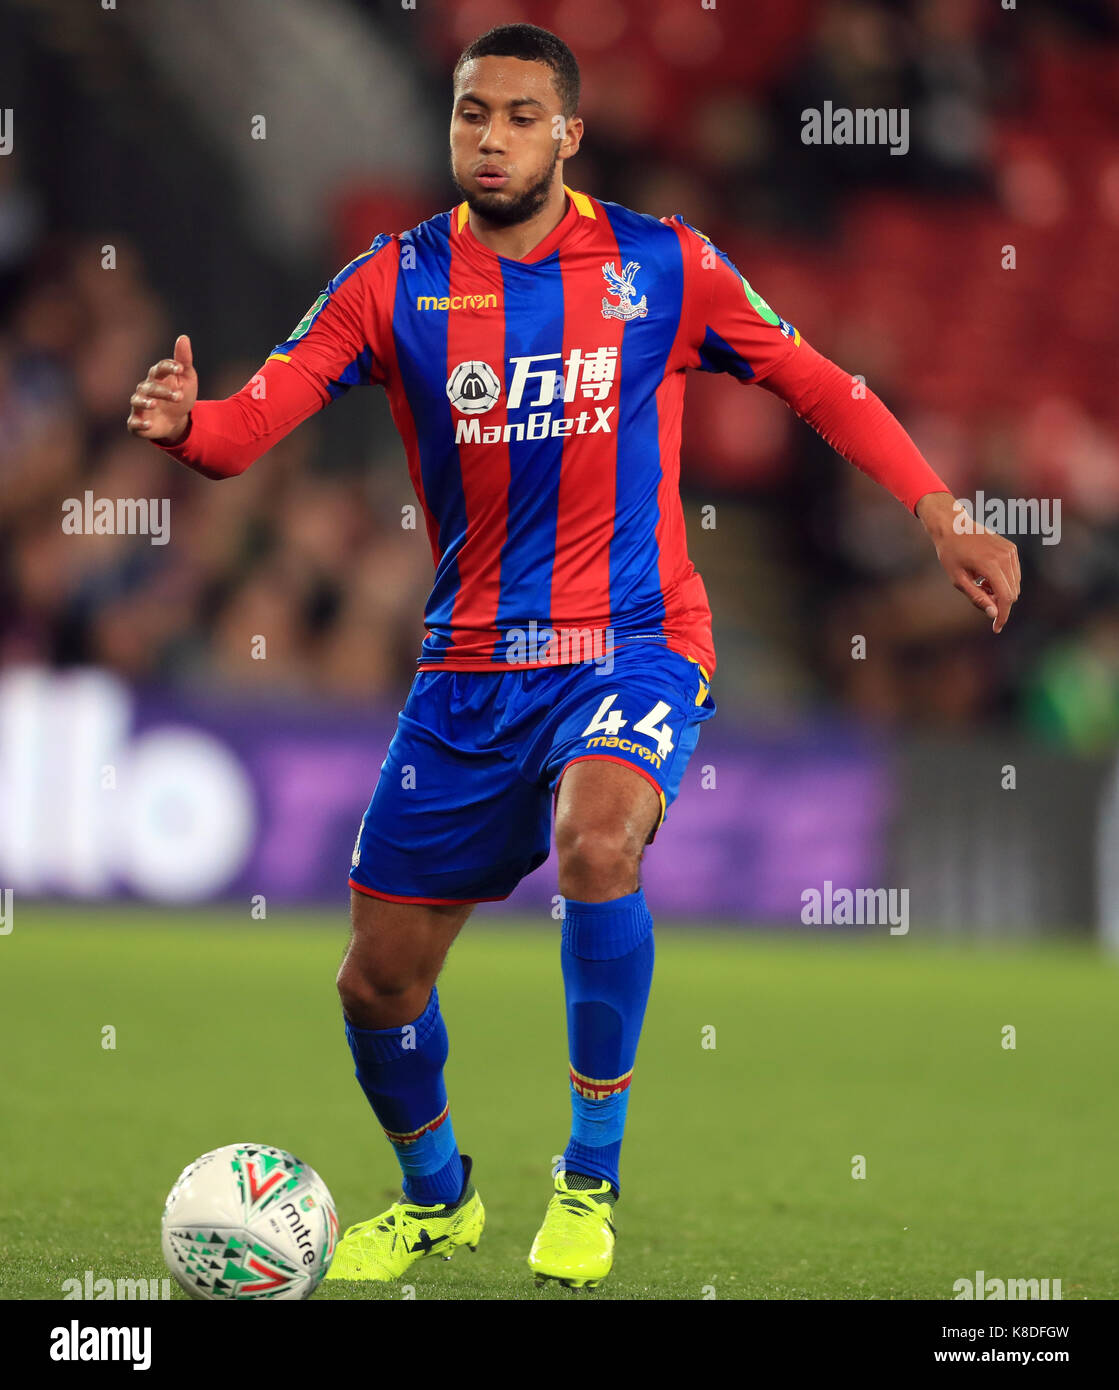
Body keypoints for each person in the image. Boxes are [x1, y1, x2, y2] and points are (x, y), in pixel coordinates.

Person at [126, 23, 1019, 1290]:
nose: (489, 136)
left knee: (599, 839)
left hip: (637, 641)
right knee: (377, 986)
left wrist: (941, 509)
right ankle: (438, 1201)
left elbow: (821, 382)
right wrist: (185, 427)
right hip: (469, 675)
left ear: (570, 134)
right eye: (470, 113)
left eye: (519, 116)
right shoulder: (392, 282)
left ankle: (588, 1178)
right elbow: (245, 428)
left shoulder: (661, 265)